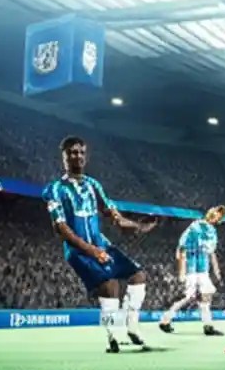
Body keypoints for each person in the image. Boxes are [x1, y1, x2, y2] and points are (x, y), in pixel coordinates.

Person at [42, 136, 156, 353]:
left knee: (138, 276)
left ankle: (131, 326)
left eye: (81, 152)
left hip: (100, 243)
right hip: (79, 250)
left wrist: (138, 226)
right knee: (109, 285)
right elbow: (61, 229)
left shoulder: (94, 185)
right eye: (72, 152)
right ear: (64, 156)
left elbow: (115, 216)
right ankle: (113, 338)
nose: (78, 156)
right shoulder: (55, 189)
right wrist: (93, 251)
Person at [158, 205, 225, 336]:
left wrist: (216, 269)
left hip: (203, 268)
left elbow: (212, 252)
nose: (217, 216)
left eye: (220, 215)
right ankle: (165, 320)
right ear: (210, 213)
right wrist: (182, 270)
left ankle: (208, 326)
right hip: (191, 267)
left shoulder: (212, 232)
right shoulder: (195, 226)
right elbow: (182, 247)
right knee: (188, 296)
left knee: (206, 295)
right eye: (216, 212)